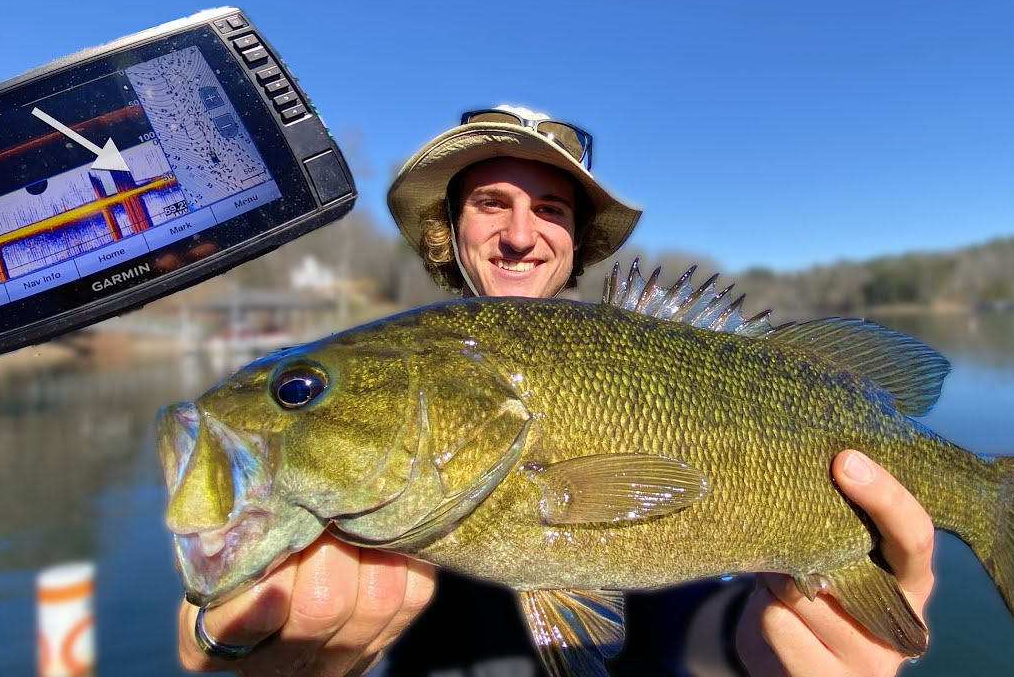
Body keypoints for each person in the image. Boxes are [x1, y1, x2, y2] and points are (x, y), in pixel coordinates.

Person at [177, 106, 938, 676]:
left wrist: (765, 652)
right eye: (490, 203)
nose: (519, 233)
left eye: (550, 209)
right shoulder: (377, 385)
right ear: (450, 229)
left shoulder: (641, 361)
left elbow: (699, 617)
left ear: (576, 241)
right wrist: (230, 633)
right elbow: (246, 603)